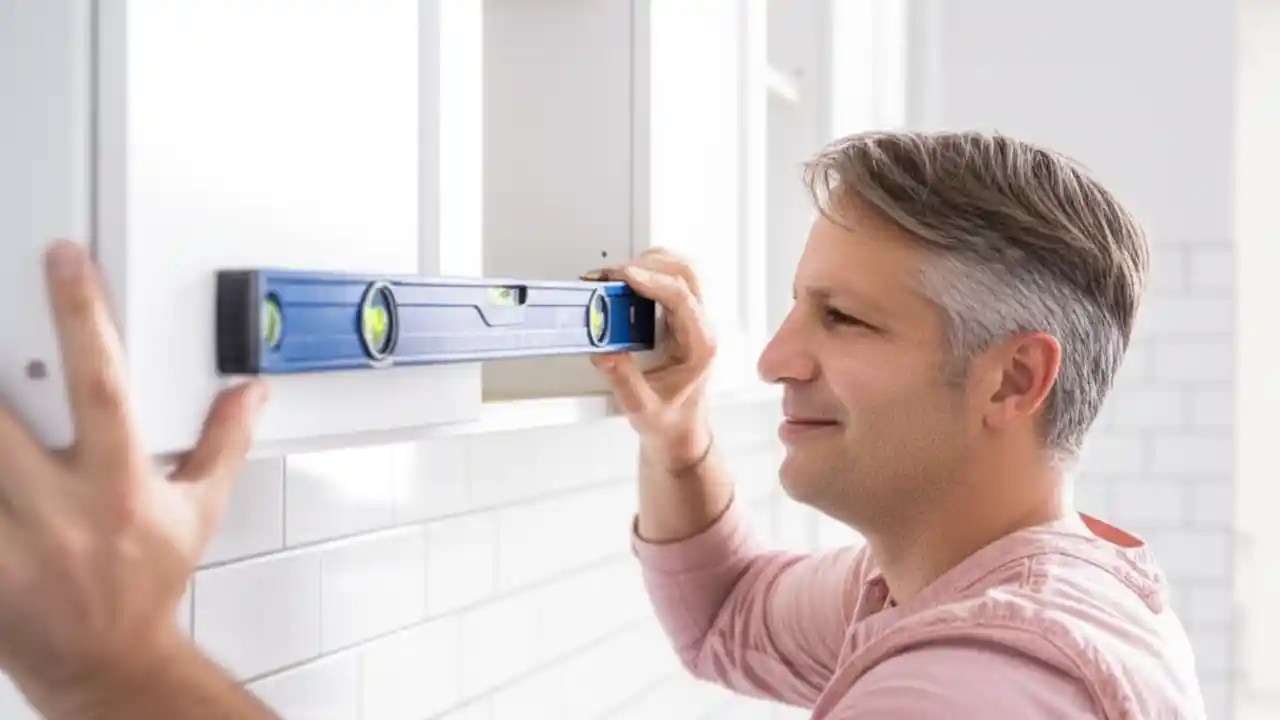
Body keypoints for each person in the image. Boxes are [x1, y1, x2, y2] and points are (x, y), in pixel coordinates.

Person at [0, 130, 1204, 719]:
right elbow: (730, 621)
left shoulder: (978, 689)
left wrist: (112, 663)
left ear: (1010, 381)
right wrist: (676, 437)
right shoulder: (962, 587)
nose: (772, 357)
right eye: (797, 304)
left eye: (841, 319)